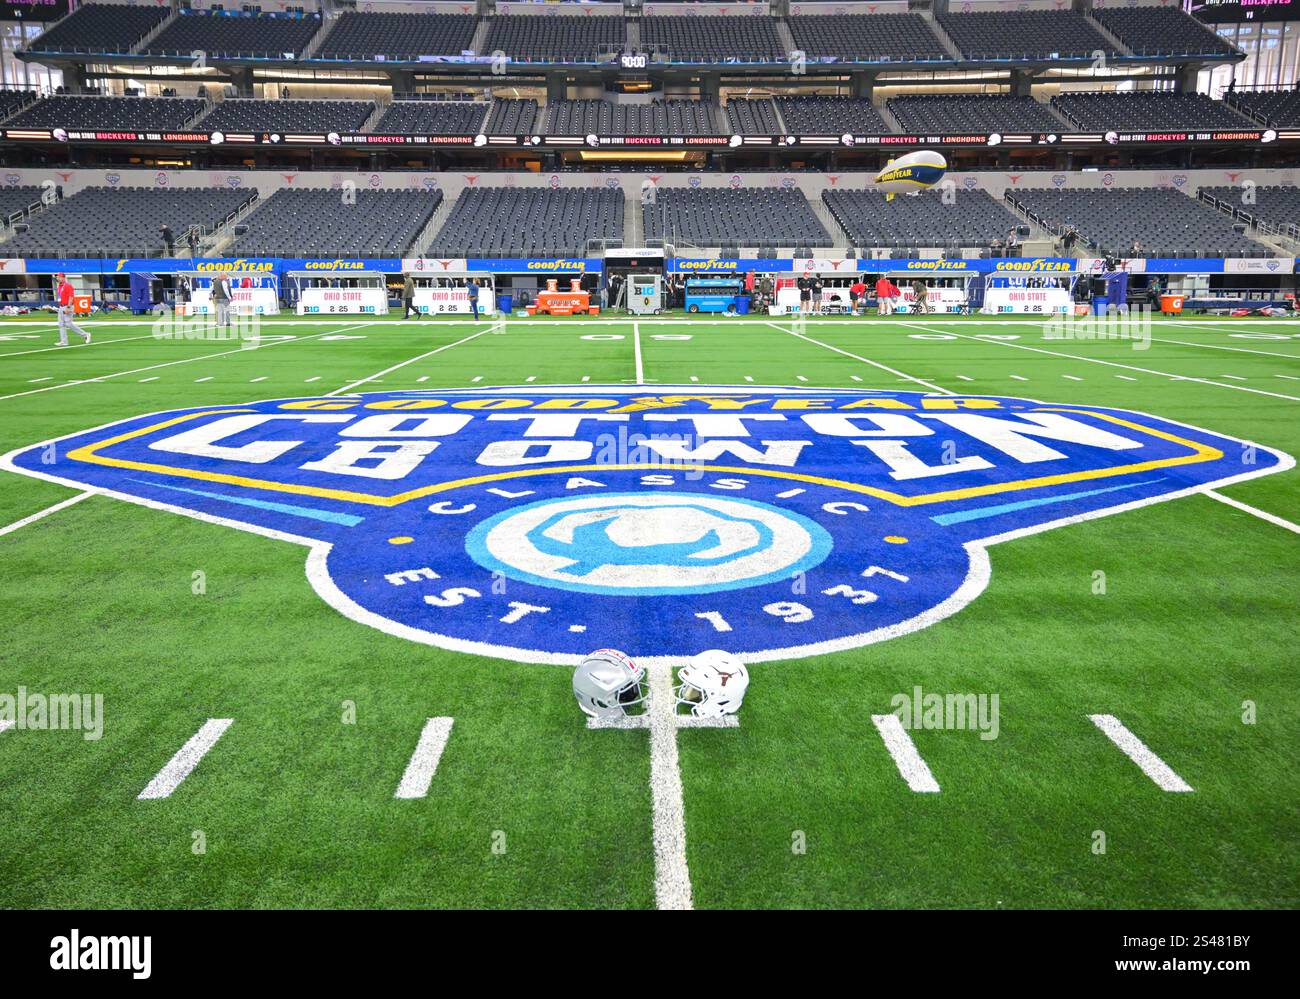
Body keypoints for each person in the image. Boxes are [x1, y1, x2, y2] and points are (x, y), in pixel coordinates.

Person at [54, 272, 90, 346]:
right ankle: (64, 341)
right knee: (61, 324)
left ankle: (85, 334)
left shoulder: (68, 286)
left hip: (67, 306)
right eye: (57, 277)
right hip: (61, 306)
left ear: (63, 277)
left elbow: (71, 297)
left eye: (59, 277)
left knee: (68, 324)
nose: (57, 278)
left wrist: (68, 307)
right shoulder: (60, 286)